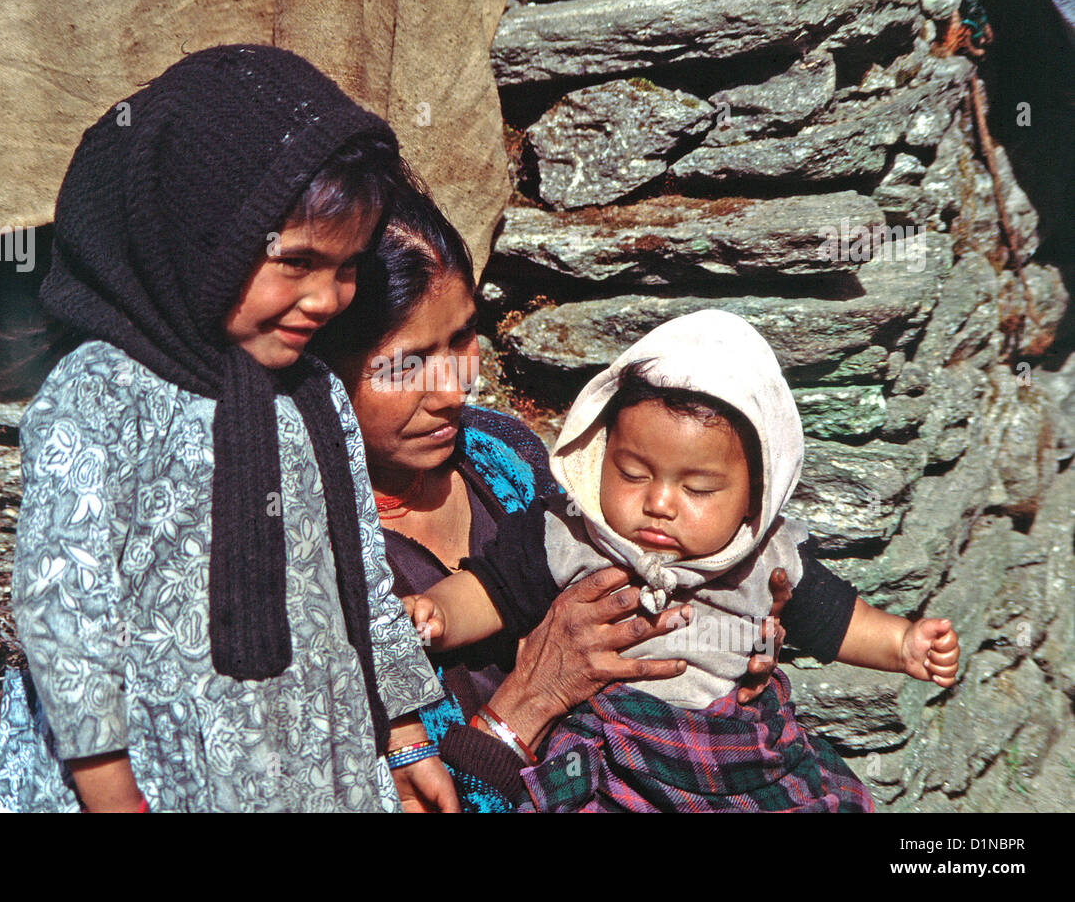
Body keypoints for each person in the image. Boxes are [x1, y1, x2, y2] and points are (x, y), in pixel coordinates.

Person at [0, 44, 458, 812]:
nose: (326, 298)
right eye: (297, 262)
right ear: (194, 241)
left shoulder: (312, 393)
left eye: (345, 269)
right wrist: (111, 793)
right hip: (153, 768)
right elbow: (63, 611)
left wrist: (402, 730)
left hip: (312, 754)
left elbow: (359, 575)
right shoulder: (103, 396)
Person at [310, 188, 813, 812]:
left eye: (463, 335)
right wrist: (531, 700)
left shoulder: (502, 453)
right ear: (323, 365)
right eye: (406, 363)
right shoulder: (310, 561)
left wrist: (732, 644)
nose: (453, 389)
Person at [407, 309, 962, 811]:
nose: (659, 503)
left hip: (735, 750)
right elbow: (494, 589)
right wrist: (438, 613)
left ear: (754, 496)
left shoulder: (766, 560)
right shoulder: (571, 536)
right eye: (632, 473)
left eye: (698, 489)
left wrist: (903, 645)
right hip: (614, 754)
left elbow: (836, 621)